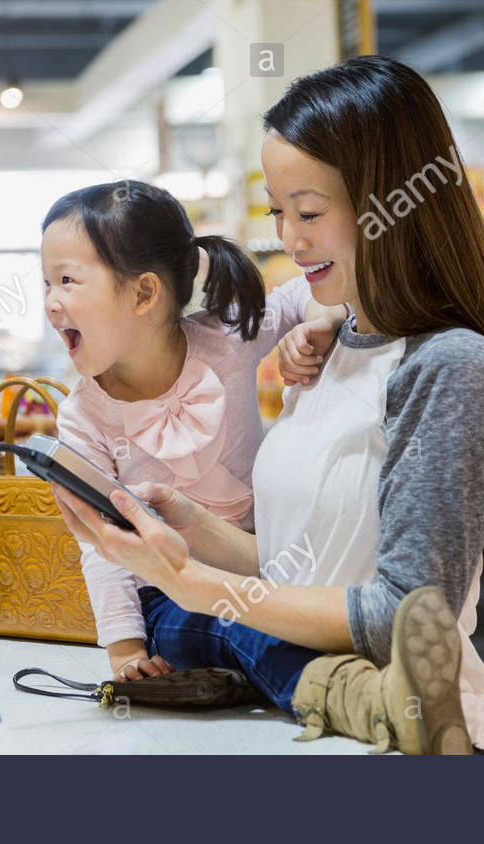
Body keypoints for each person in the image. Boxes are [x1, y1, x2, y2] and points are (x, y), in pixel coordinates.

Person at [53, 56, 484, 754]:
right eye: (278, 212)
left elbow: (408, 615)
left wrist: (196, 584)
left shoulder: (452, 371)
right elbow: (299, 573)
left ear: (393, 206)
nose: (290, 239)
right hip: (304, 737)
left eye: (310, 212)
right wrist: (191, 528)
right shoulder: (330, 347)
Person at [41, 179, 346, 680]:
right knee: (228, 628)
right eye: (46, 284)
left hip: (267, 562)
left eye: (67, 281)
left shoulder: (224, 339)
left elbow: (303, 295)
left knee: (302, 610)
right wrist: (125, 651)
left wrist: (322, 322)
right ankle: (335, 689)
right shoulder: (83, 417)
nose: (52, 302)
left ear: (143, 293)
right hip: (166, 595)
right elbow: (102, 547)